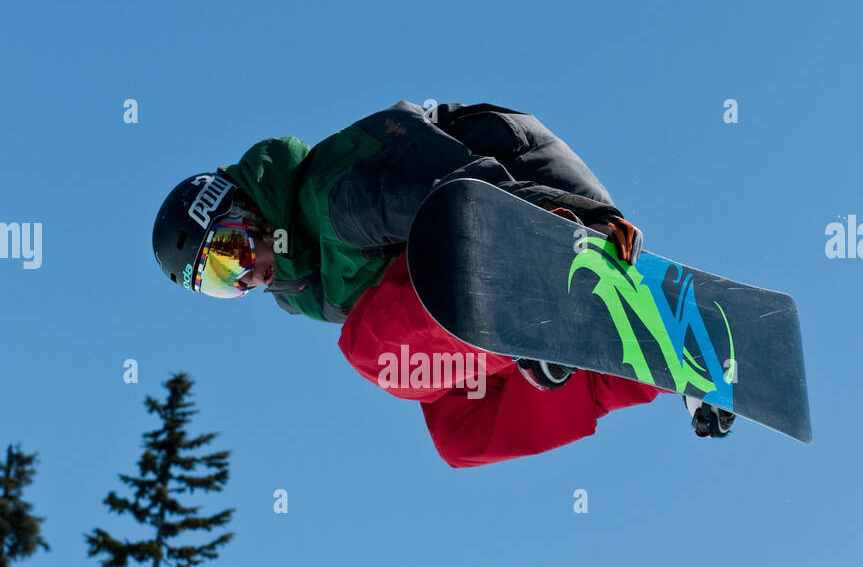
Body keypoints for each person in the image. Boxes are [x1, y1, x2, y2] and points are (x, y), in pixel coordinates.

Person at [152, 100, 733, 466]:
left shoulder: (333, 194)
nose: (246, 275)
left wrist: (554, 226)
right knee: (458, 432)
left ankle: (532, 312)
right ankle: (660, 355)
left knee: (370, 347)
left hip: (516, 186)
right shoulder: (306, 284)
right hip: (484, 272)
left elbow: (453, 189)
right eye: (221, 283)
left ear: (243, 209)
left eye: (230, 250)